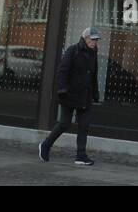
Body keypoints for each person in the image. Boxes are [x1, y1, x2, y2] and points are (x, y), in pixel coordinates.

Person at [38, 27, 101, 166]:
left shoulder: (94, 54)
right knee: (64, 123)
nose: (94, 42)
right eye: (92, 39)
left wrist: (95, 93)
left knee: (84, 125)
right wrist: (62, 89)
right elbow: (63, 70)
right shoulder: (73, 50)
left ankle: (81, 156)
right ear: (85, 39)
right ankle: (45, 145)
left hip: (85, 95)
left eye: (96, 40)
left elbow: (93, 75)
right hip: (69, 94)